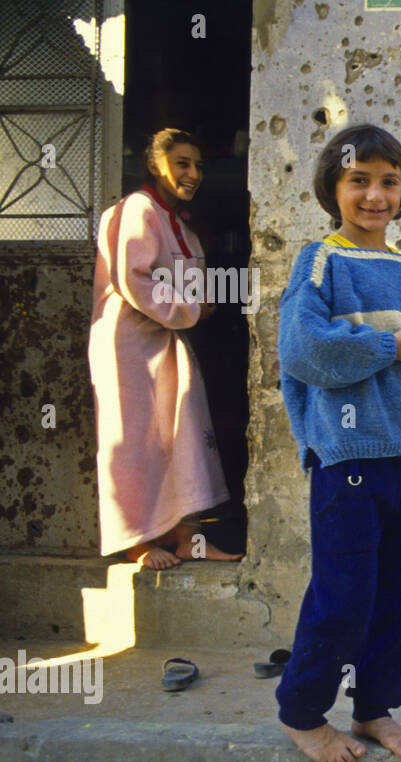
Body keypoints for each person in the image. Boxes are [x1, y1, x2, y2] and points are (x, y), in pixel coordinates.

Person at [275, 124, 401, 762]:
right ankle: (303, 712)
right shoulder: (321, 261)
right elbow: (305, 351)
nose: (375, 194)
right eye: (359, 179)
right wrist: (393, 346)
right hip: (349, 459)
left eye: (389, 181)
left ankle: (374, 706)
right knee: (345, 594)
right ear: (334, 188)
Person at [89, 128, 240, 570]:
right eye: (182, 164)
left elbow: (192, 287)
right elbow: (134, 279)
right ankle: (136, 541)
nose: (193, 174)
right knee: (134, 440)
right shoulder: (136, 210)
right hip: (129, 345)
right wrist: (191, 309)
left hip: (166, 341)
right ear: (156, 165)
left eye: (198, 166)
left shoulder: (182, 227)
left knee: (182, 435)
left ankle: (188, 538)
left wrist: (208, 299)